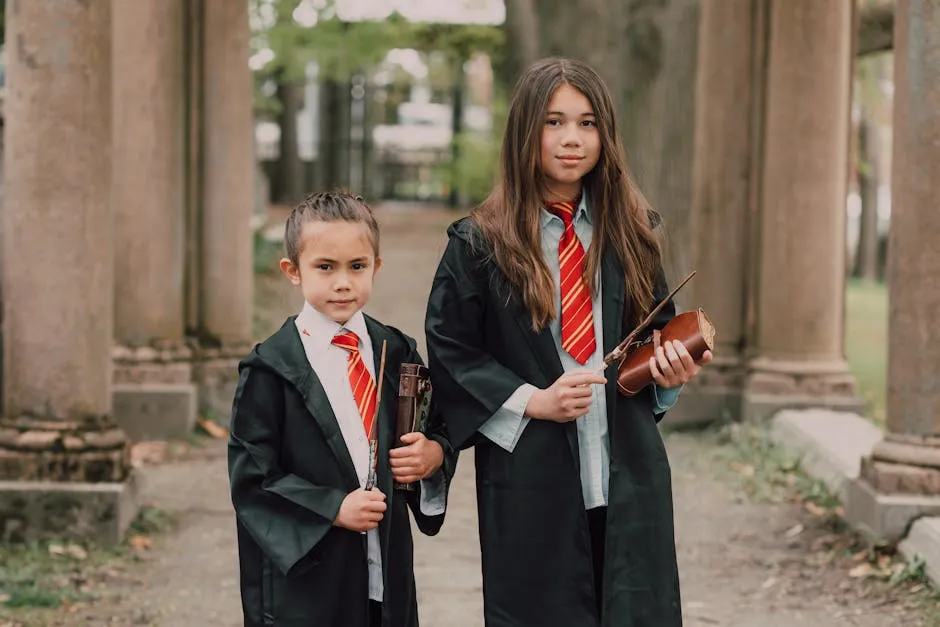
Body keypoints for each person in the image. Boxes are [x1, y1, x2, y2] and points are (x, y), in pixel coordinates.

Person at [425, 57, 712, 627]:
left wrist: (668, 379)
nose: (572, 140)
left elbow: (653, 336)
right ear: (525, 132)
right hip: (532, 474)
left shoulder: (634, 233)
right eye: (554, 122)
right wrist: (535, 401)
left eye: (587, 123)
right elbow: (452, 352)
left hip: (624, 468)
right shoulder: (479, 244)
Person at [229, 190, 456, 627]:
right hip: (311, 579)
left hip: (384, 564)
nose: (343, 283)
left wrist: (433, 455)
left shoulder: (397, 351)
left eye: (357, 266)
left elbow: (435, 425)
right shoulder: (270, 369)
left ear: (377, 266)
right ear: (292, 271)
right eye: (325, 267)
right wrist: (332, 508)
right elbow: (252, 479)